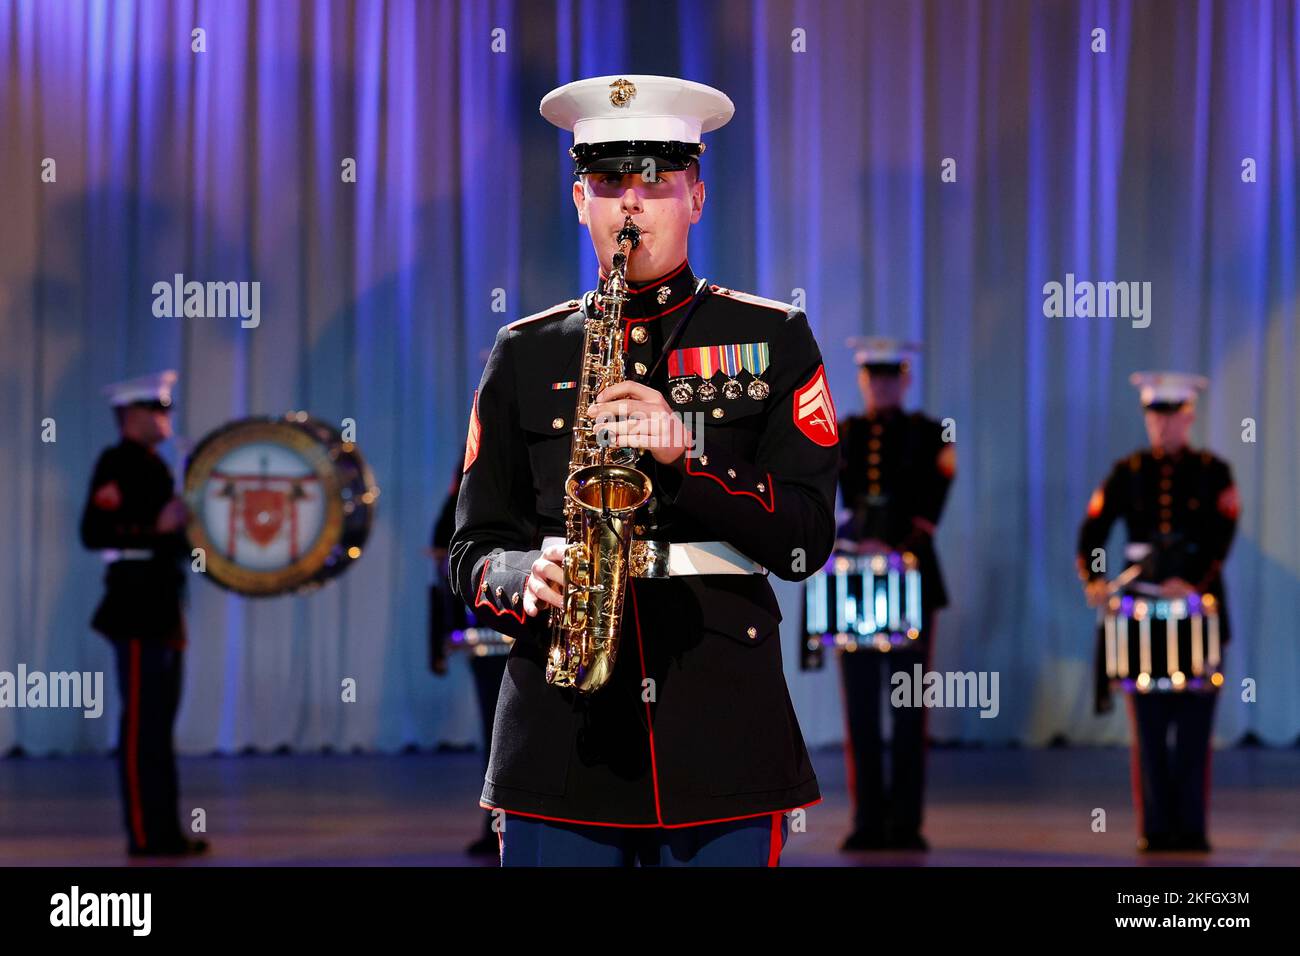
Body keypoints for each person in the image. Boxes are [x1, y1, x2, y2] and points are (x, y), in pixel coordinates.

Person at [450, 75, 840, 866]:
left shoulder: (772, 337)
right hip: (559, 738)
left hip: (722, 732)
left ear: (696, 194)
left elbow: (805, 542)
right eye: (609, 181)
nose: (632, 202)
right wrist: (522, 573)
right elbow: (470, 550)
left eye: (657, 179)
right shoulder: (524, 351)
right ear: (579, 200)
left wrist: (685, 458)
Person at [1076, 371, 1238, 852]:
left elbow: (1220, 540)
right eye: (1155, 415)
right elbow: (1093, 533)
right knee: (1147, 727)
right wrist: (1096, 578)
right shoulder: (1127, 472)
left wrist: (1190, 583)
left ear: (1188, 417)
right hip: (1142, 617)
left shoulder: (1214, 472)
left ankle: (1191, 829)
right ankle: (1155, 828)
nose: (1163, 425)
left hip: (1196, 613)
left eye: (1172, 416)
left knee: (1194, 725)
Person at [79, 370, 209, 857]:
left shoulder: (155, 465)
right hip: (134, 604)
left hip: (160, 603)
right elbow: (95, 532)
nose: (165, 417)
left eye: (166, 408)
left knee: (158, 726)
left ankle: (165, 831)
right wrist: (155, 527)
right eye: (156, 410)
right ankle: (143, 833)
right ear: (132, 417)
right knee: (141, 731)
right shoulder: (117, 463)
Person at [833, 339, 954, 851]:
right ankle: (866, 822)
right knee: (859, 706)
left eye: (890, 378)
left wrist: (892, 544)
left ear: (904, 381)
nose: (881, 386)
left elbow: (932, 505)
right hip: (854, 578)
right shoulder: (843, 434)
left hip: (910, 574)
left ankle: (906, 824)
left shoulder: (931, 435)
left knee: (908, 707)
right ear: (863, 381)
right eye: (872, 379)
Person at [428, 464, 508, 857]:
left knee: (504, 739)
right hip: (489, 643)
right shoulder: (465, 500)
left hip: (508, 638)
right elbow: (443, 567)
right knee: (497, 740)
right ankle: (494, 826)